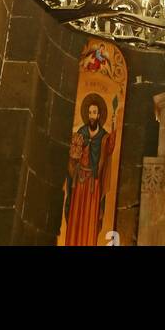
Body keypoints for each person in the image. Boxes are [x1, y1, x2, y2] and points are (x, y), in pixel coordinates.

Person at [62, 93, 118, 245]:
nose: (91, 116)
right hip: (78, 182)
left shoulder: (104, 136)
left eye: (94, 113)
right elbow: (73, 156)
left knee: (90, 217)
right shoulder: (81, 133)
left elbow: (110, 149)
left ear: (99, 115)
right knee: (76, 215)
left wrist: (114, 125)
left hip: (93, 183)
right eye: (90, 113)